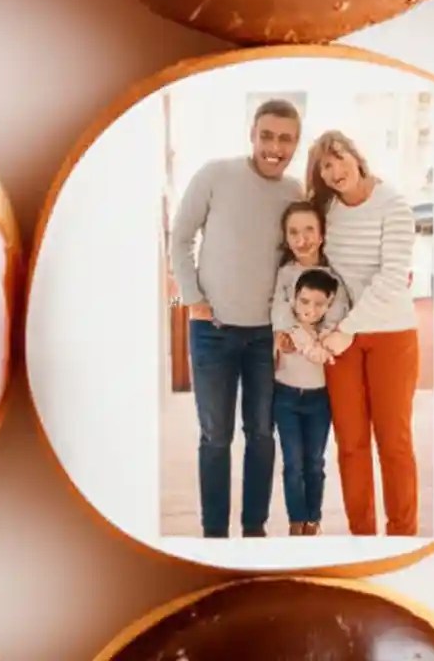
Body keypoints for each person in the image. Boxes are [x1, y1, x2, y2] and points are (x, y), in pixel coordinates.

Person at [168, 99, 305, 538]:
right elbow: (180, 238)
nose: (274, 148)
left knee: (262, 433)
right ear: (252, 134)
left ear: (296, 144)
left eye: (285, 139)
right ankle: (214, 533)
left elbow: (302, 257)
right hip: (212, 331)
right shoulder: (215, 175)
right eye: (267, 136)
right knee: (215, 436)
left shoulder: (295, 192)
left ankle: (253, 529)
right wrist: (194, 300)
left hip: (266, 335)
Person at [306, 130, 421, 537]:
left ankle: (402, 535)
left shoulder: (394, 205)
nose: (335, 170)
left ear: (356, 156)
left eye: (339, 158)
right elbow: (326, 272)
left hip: (391, 334)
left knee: (393, 441)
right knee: (351, 443)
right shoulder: (328, 211)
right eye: (325, 165)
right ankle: (362, 536)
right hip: (342, 338)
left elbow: (392, 277)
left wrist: (346, 329)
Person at [269, 201, 348, 536]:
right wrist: (296, 338)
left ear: (322, 234)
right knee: (292, 463)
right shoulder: (285, 275)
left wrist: (309, 338)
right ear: (286, 238)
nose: (302, 239)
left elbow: (336, 322)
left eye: (309, 230)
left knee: (314, 462)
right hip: (285, 391)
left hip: (320, 395)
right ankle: (295, 521)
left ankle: (313, 520)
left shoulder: (334, 279)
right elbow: (279, 314)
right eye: (293, 233)